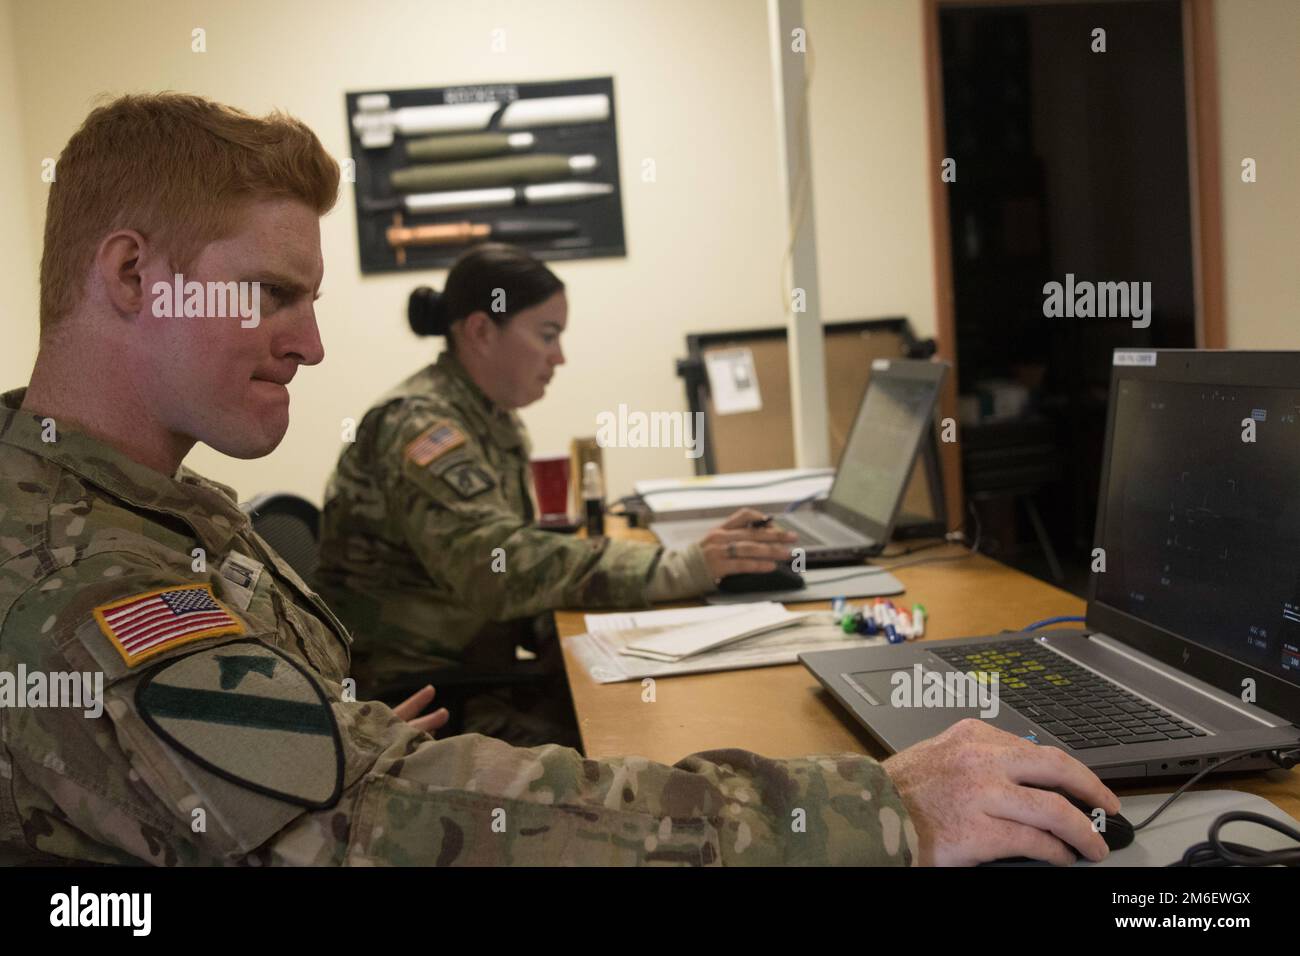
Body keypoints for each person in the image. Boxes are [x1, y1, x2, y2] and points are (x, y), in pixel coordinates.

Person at [0, 92, 1121, 867]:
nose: (310, 344)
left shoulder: (134, 505)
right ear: (134, 274)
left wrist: (329, 732)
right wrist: (877, 811)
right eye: (272, 295)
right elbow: (361, 825)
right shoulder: (79, 577)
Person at [316, 244, 798, 745]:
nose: (560, 356)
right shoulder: (420, 425)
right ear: (481, 331)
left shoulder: (487, 416)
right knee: (659, 746)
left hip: (472, 671)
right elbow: (496, 564)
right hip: (423, 706)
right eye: (548, 335)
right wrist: (673, 569)